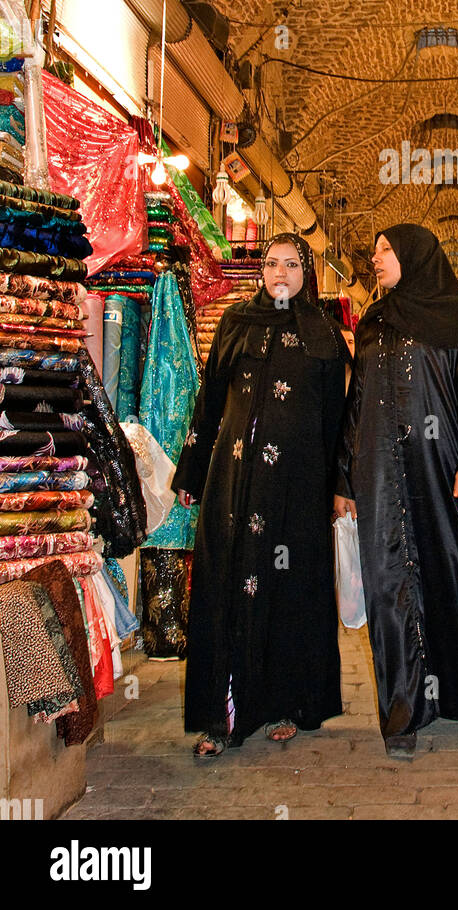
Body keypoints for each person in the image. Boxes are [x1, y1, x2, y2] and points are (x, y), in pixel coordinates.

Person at [173, 235, 348, 756]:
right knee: (225, 588)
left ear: (305, 272)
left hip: (296, 492)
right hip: (233, 484)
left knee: (290, 594)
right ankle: (222, 716)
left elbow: (337, 423)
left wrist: (342, 487)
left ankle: (287, 705)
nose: (280, 272)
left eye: (291, 265)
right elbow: (208, 403)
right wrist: (191, 472)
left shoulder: (324, 333)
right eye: (272, 263)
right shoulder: (236, 323)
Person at [334, 223, 458, 759]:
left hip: (440, 466)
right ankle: (401, 711)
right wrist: (344, 477)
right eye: (374, 249)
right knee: (387, 584)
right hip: (379, 471)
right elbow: (356, 402)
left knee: (450, 575)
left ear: (415, 256)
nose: (375, 258)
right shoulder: (374, 323)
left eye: (385, 250)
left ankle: (453, 691)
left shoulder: (452, 315)